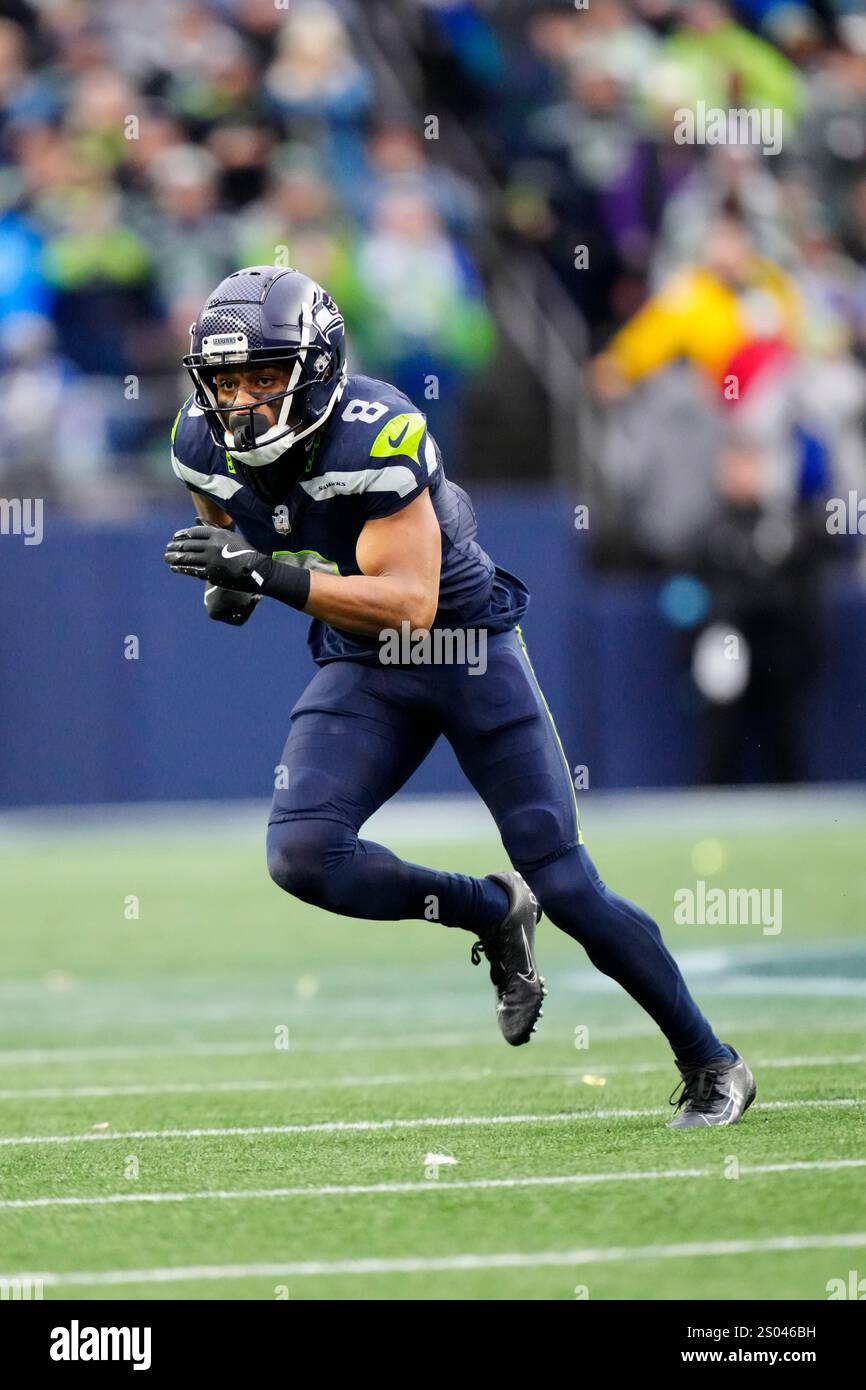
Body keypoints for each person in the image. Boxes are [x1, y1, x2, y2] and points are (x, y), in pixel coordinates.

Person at [164, 264, 756, 1127]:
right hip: (364, 661)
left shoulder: (377, 429)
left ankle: (713, 1063)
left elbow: (411, 602)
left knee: (568, 884)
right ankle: (488, 909)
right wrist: (232, 581)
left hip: (463, 648)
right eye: (227, 381)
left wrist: (263, 573)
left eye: (264, 376)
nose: (242, 401)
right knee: (302, 854)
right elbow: (223, 523)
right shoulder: (197, 443)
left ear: (318, 369)